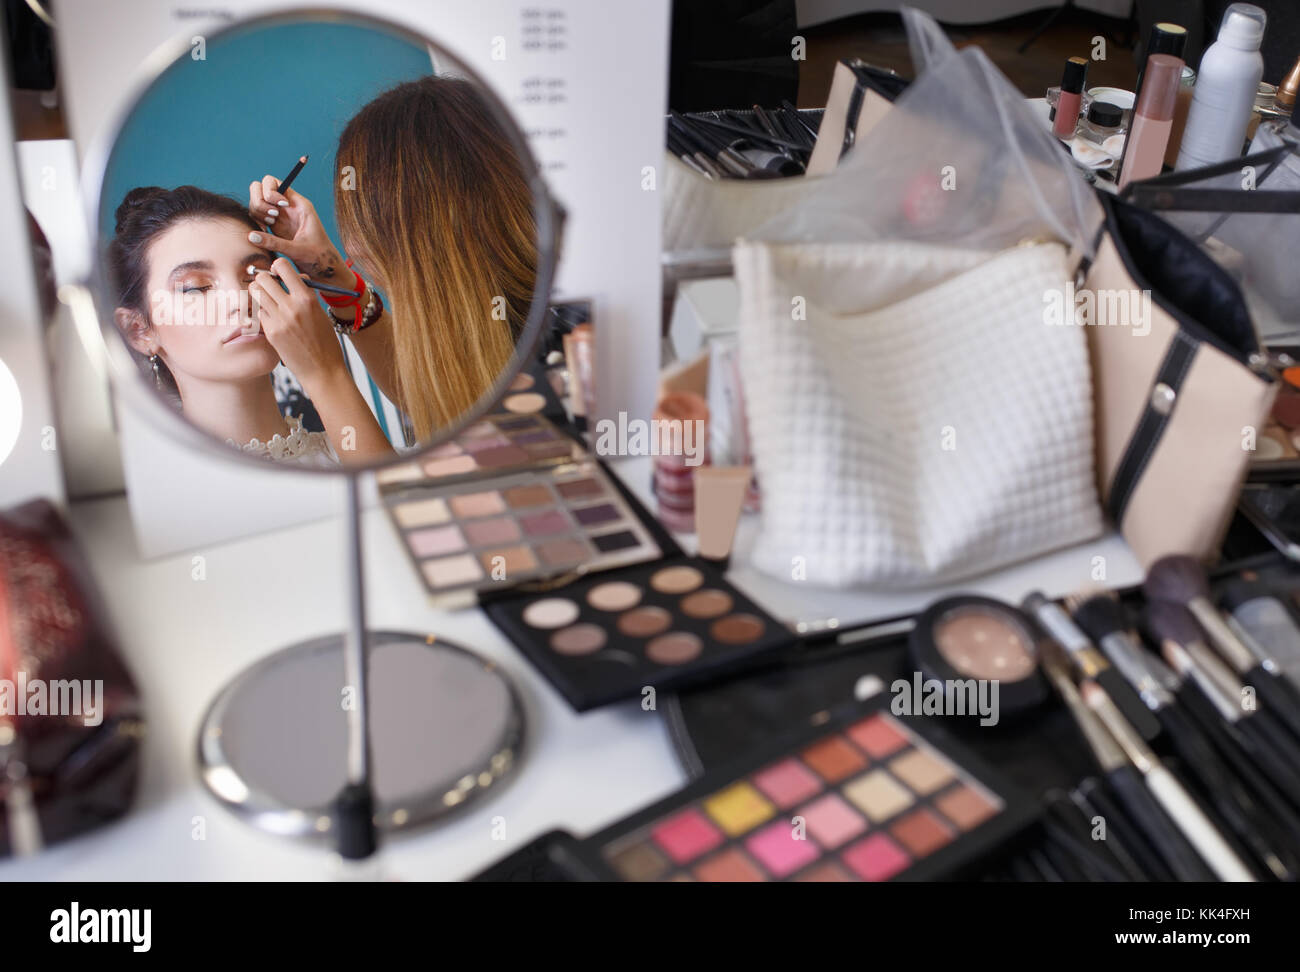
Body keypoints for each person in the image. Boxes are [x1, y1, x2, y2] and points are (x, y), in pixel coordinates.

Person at [246, 76, 538, 443]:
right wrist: (330, 273)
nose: (352, 246)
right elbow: (447, 403)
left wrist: (323, 373)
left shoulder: (552, 346)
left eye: (356, 211)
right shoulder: (491, 317)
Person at [109, 185, 393, 464]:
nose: (241, 299)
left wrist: (329, 274)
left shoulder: (358, 457)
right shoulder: (160, 495)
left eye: (255, 274)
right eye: (195, 287)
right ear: (139, 329)